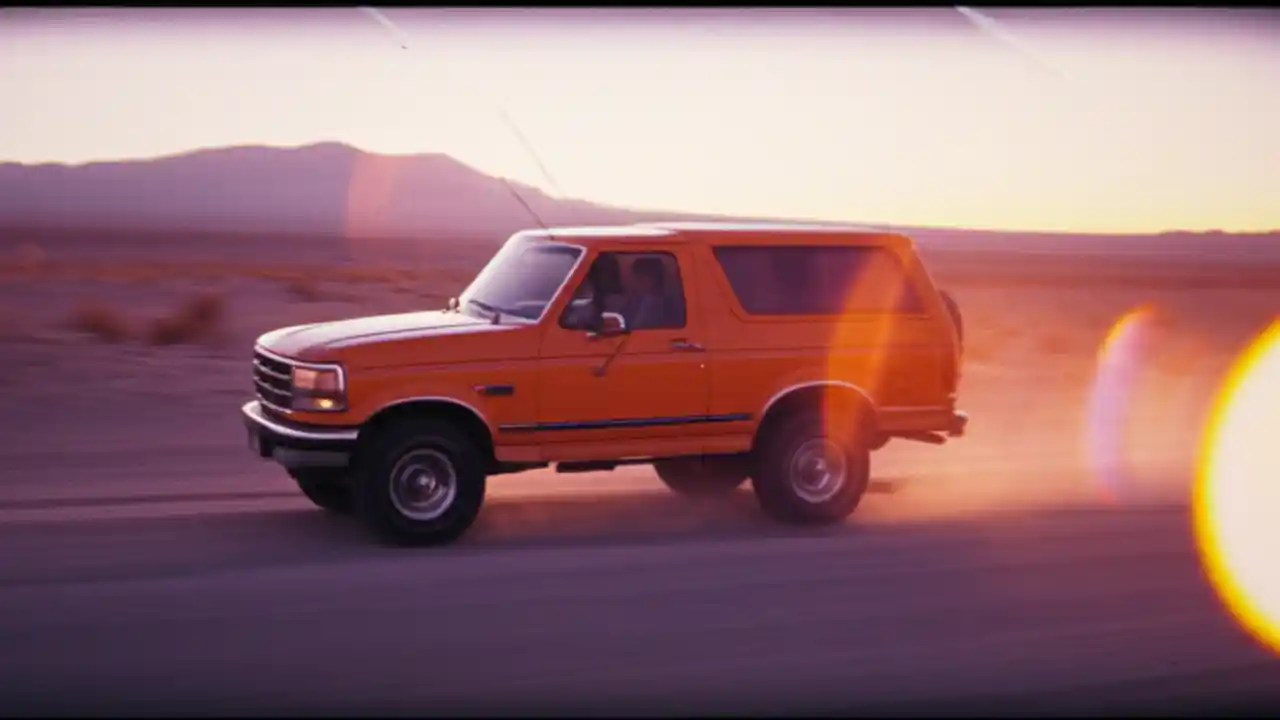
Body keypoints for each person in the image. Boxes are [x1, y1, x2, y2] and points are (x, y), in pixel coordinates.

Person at [625, 256, 674, 330]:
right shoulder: (659, 300)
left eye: (638, 278)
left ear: (647, 280)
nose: (633, 283)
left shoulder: (651, 304)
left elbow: (634, 330)